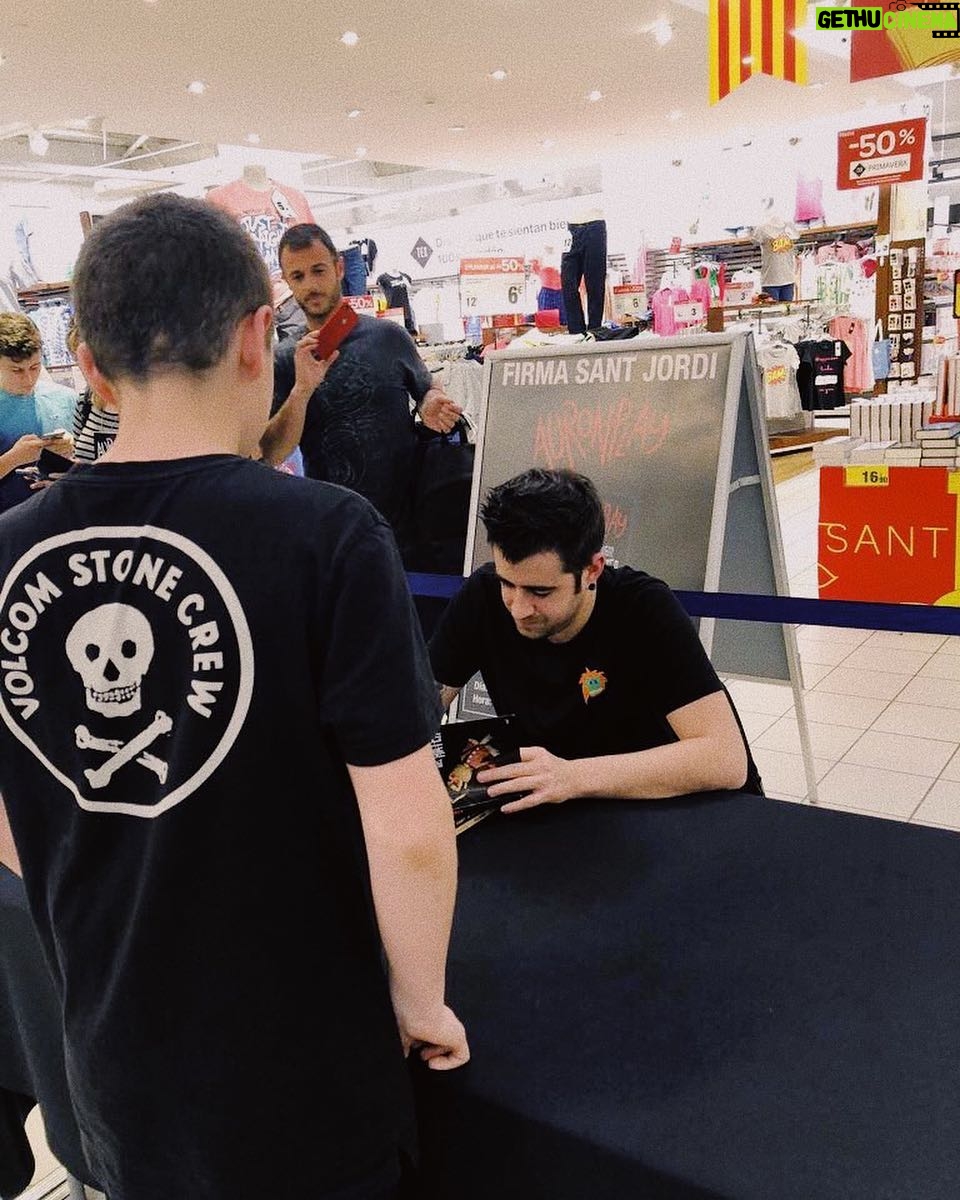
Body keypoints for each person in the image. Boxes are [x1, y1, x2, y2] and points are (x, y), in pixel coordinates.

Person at [0, 192, 467, 1200]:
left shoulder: (6, 554)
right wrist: (422, 999)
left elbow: (7, 824)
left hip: (115, 1062)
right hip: (302, 1077)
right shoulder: (326, 535)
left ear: (88, 363)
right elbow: (408, 822)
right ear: (261, 336)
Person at [428, 468, 763, 812]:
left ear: (593, 570)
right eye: (507, 583)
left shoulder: (642, 609)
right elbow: (422, 705)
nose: (518, 608)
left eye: (540, 591)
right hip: (563, 815)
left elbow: (725, 759)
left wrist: (570, 777)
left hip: (664, 810)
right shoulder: (482, 597)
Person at [259, 222, 462, 557]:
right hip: (335, 534)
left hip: (411, 531)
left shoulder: (389, 337)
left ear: (340, 267)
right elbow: (271, 452)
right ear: (287, 283)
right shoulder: (285, 360)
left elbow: (427, 391)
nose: (310, 285)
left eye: (318, 270)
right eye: (298, 277)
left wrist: (431, 403)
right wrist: (302, 389)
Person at [0, 311, 76, 512]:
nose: (28, 379)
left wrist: (72, 450)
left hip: (61, 518)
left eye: (35, 367)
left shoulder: (67, 399)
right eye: (16, 370)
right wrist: (11, 459)